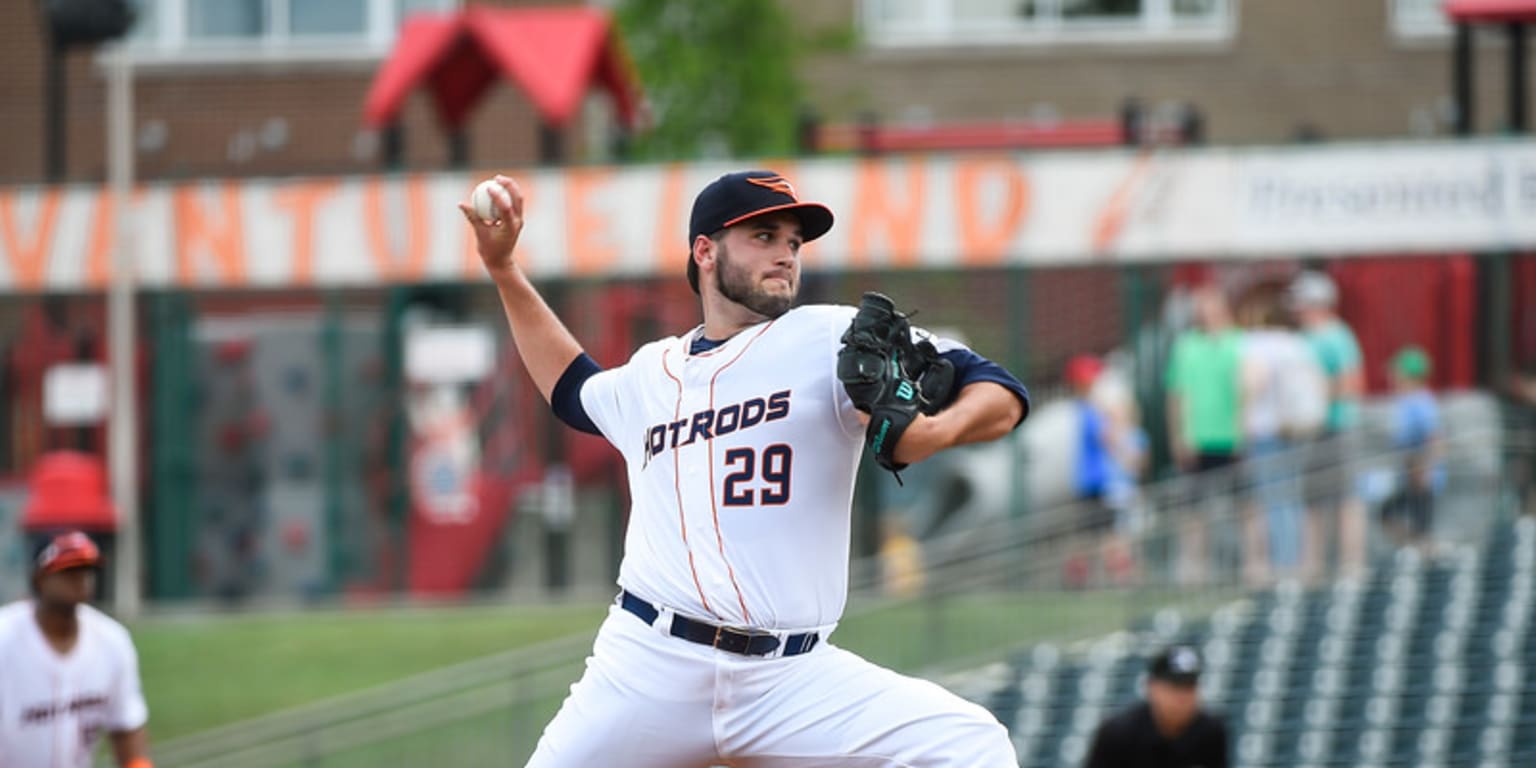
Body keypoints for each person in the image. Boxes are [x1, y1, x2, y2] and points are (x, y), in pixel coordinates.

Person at [460, 170, 1030, 767]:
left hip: (790, 680)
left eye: (793, 241)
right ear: (704, 251)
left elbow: (1000, 389)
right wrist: (504, 270)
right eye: (763, 235)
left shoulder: (829, 337)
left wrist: (933, 432)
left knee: (970, 744)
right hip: (650, 666)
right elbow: (573, 391)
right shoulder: (654, 374)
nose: (786, 254)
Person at [0, 531, 152, 768]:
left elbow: (126, 726)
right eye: (68, 571)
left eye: (86, 570)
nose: (80, 579)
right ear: (39, 578)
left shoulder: (113, 641)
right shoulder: (5, 638)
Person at [1239, 302, 1326, 579]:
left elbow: (1256, 382)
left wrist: (1241, 415)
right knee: (1290, 498)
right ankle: (1294, 561)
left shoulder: (1256, 345)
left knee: (1275, 500)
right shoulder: (1297, 344)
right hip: (1298, 429)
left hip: (1268, 430)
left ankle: (1284, 565)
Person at [1288, 270, 1367, 578]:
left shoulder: (1337, 335)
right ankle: (1312, 565)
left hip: (1338, 426)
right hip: (1313, 430)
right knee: (1313, 500)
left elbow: (1351, 383)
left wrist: (1316, 394)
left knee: (1347, 498)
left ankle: (1351, 565)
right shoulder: (1304, 338)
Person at [1085, 645, 1229, 768]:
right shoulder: (1119, 734)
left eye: (1189, 687)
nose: (1182, 697)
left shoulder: (1210, 732)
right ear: (1152, 687)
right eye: (1175, 687)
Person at [1380, 346, 1442, 551]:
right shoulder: (1405, 401)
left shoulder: (1421, 402)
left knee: (1422, 526)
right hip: (1408, 474)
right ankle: (1413, 548)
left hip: (1420, 476)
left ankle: (1423, 554)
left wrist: (1425, 469)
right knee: (1388, 516)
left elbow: (1434, 438)